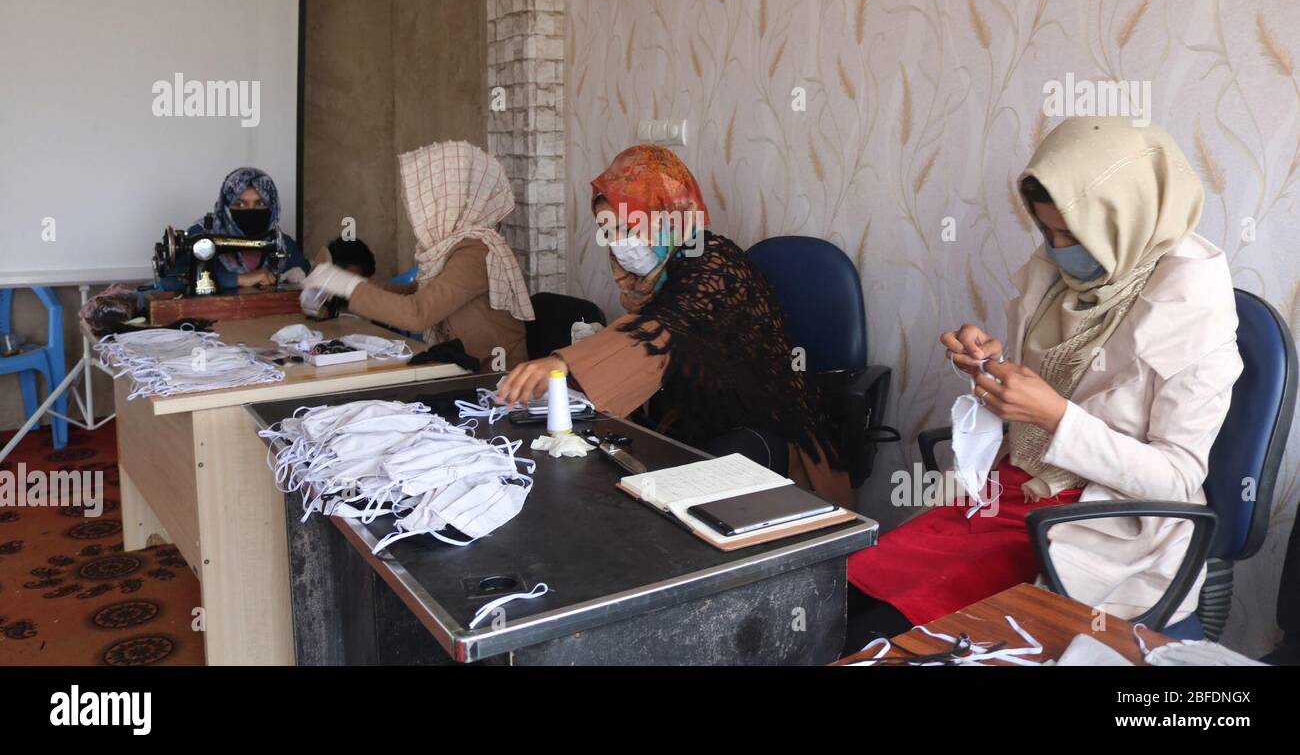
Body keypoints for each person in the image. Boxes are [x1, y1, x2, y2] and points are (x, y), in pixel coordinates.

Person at [844, 118, 1243, 649]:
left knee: (886, 636)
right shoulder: (1068, 277)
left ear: (1123, 222)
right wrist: (989, 369)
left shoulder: (1195, 312)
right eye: (1047, 232)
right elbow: (1065, 381)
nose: (1057, 251)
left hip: (1099, 517)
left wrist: (1054, 415)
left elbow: (1177, 477)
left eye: (1070, 236)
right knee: (838, 595)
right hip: (1016, 486)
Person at [497, 144, 853, 509]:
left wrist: (566, 364)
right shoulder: (654, 278)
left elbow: (669, 328)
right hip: (693, 426)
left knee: (663, 507)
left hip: (767, 432)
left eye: (628, 226)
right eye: (608, 229)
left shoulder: (715, 263)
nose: (619, 243)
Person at [300, 141, 532, 368]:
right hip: (463, 371)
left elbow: (418, 313)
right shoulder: (452, 246)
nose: (418, 211)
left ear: (453, 199)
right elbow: (418, 292)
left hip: (494, 384)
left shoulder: (477, 251)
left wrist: (348, 285)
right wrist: (347, 288)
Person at [177, 166, 310, 291]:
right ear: (225, 207)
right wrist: (239, 279)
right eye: (239, 204)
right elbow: (170, 282)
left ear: (272, 208)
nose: (251, 211)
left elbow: (308, 276)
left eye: (260, 203)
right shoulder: (201, 237)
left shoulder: (281, 244)